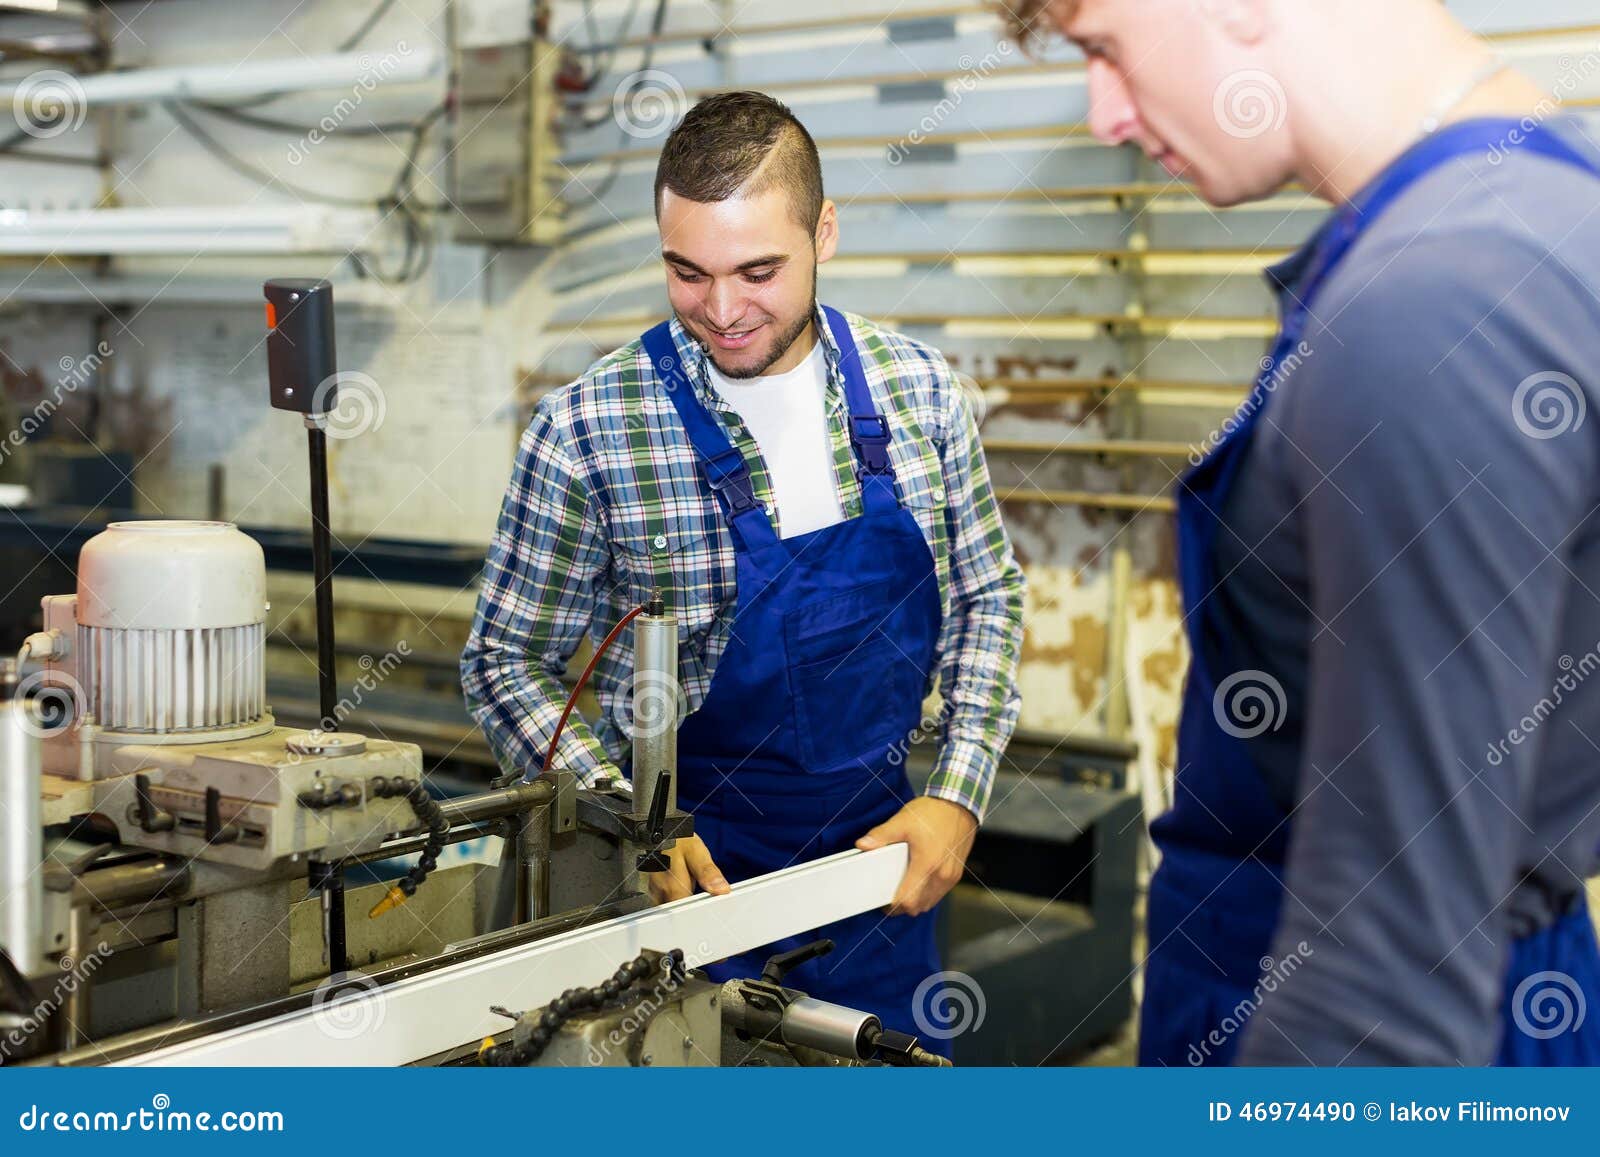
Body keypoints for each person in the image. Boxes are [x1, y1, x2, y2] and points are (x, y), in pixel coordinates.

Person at [1013, 0, 1600, 1064]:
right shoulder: (1539, 209)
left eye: (1100, 45)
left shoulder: (1431, 309)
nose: (1102, 111)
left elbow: (1387, 984)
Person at [461, 91, 1025, 1043]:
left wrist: (957, 793)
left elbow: (987, 599)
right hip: (684, 889)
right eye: (687, 272)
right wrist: (624, 820)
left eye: (757, 270)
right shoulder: (588, 432)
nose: (720, 311)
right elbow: (503, 662)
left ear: (825, 233)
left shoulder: (921, 393)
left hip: (877, 877)